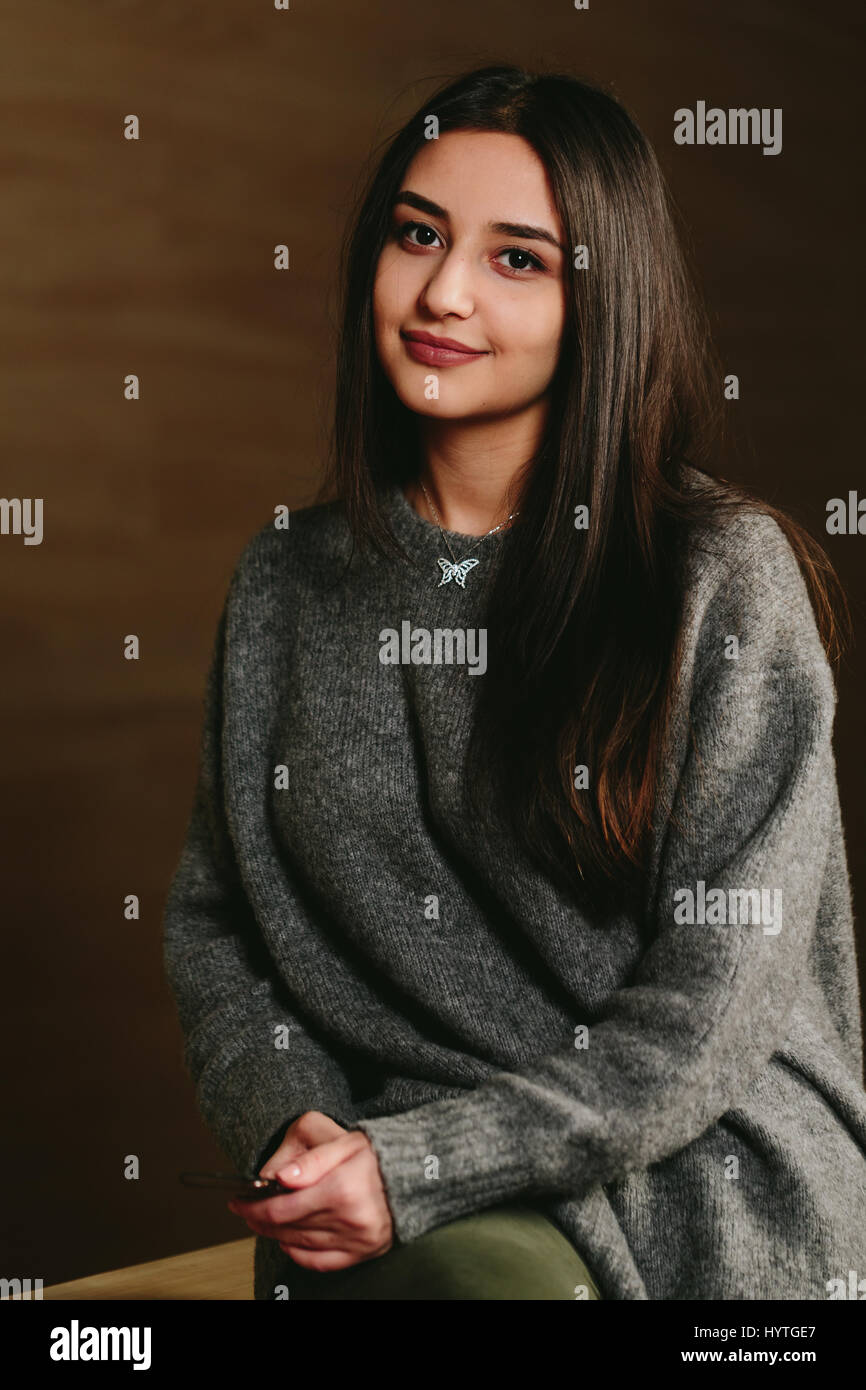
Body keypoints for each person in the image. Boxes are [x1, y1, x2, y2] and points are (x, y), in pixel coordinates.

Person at [162, 64, 866, 1301]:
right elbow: (217, 922)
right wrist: (293, 1133)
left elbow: (718, 1000)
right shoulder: (284, 579)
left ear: (605, 302)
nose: (442, 292)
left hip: (697, 1176)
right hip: (398, 1184)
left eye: (518, 259)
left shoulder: (717, 578)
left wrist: (428, 1164)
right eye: (418, 235)